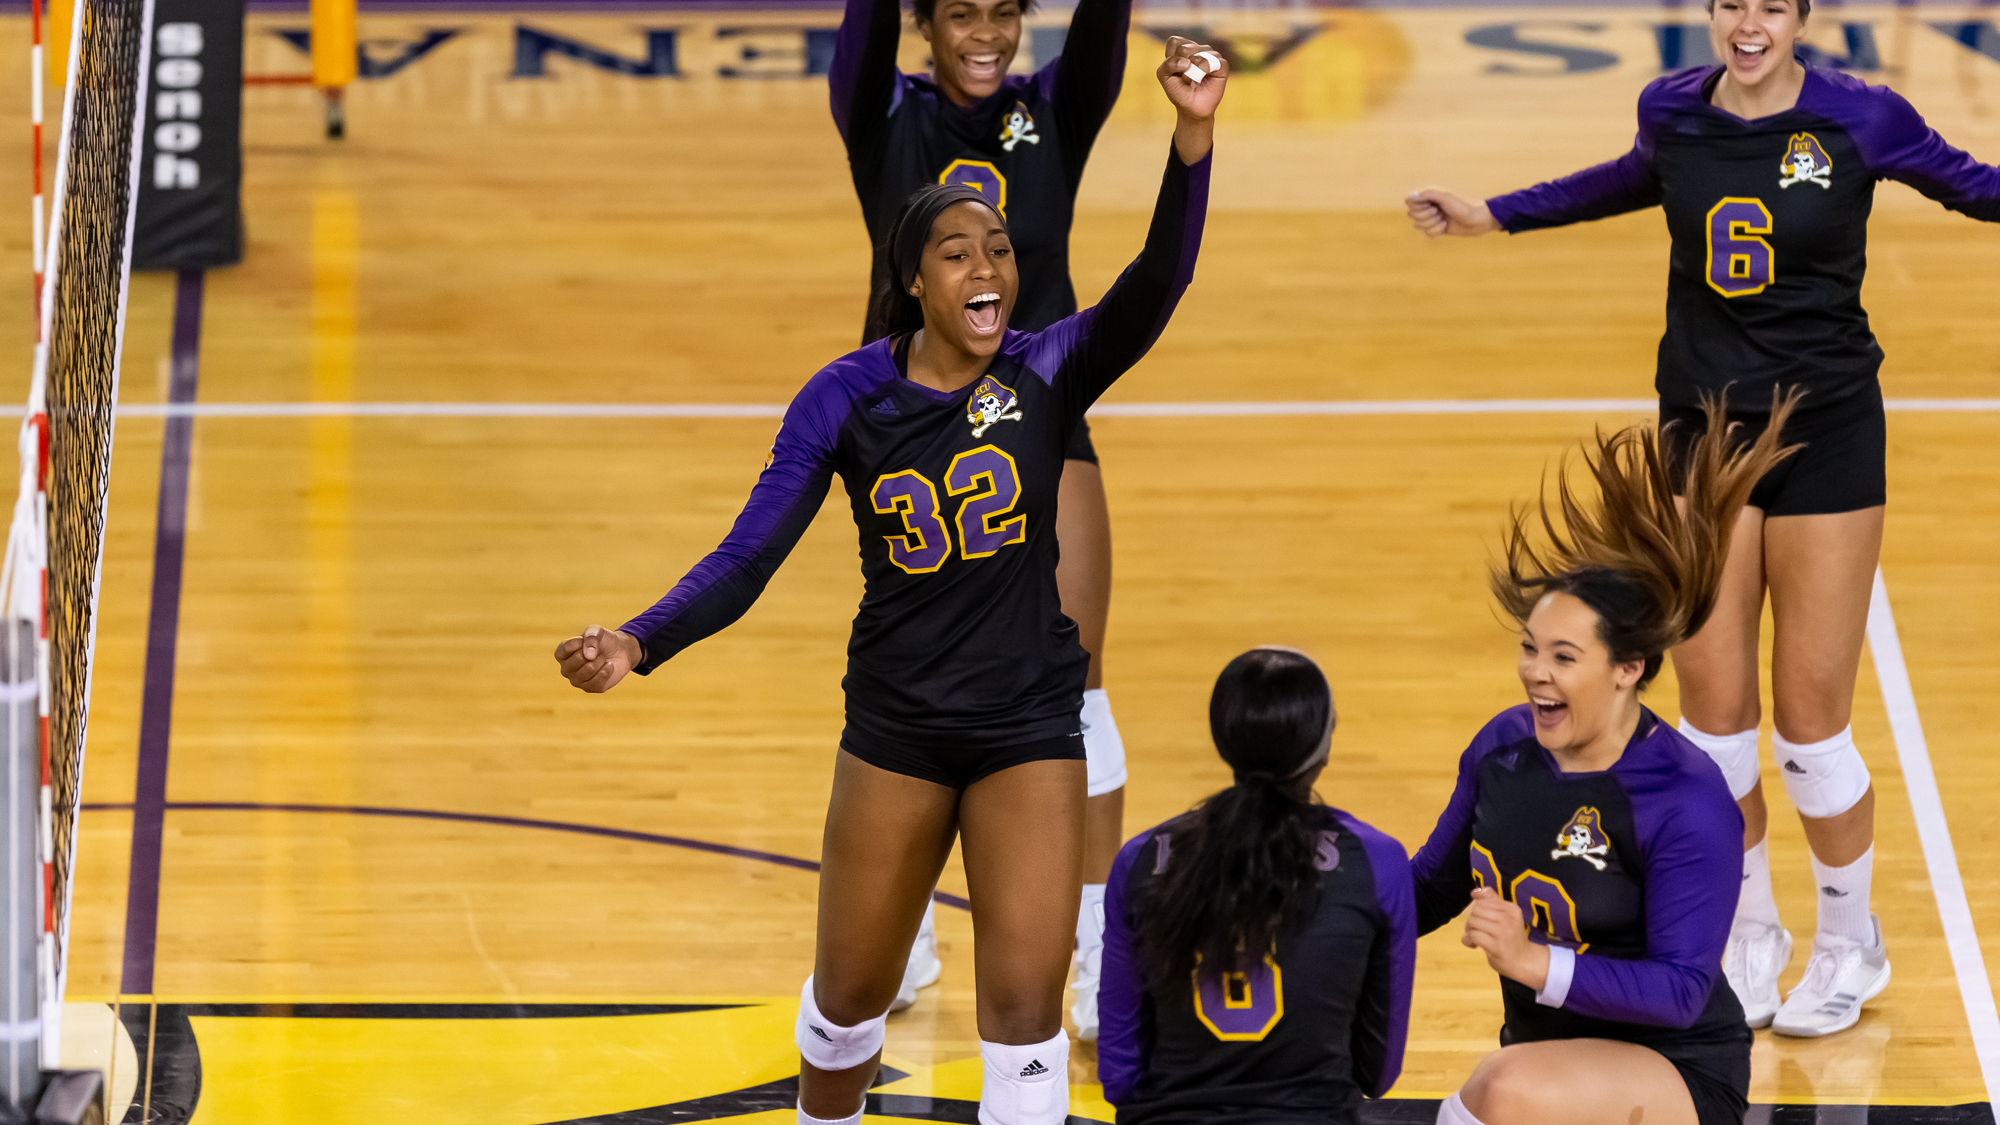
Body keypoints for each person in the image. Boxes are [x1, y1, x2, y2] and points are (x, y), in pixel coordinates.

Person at [555, 39, 1226, 1125]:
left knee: (1024, 1016)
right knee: (849, 1003)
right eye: (957, 255)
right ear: (910, 278)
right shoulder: (842, 398)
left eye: (999, 251)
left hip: (1027, 726)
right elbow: (748, 556)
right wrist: (642, 639)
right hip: (898, 729)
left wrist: (1192, 137)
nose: (986, 272)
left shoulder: (1048, 369)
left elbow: (1159, 280)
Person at [1405, 0, 2000, 1036]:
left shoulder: (1863, 118)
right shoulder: (1670, 111)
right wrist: (1493, 213)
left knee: (1811, 733)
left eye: (1769, 5)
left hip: (1825, 433)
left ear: (1802, 18)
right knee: (1714, 733)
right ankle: (1749, 929)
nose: (1748, 23)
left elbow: (1973, 186)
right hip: (1699, 434)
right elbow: (1624, 179)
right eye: (1730, 3)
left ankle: (1849, 942)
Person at [829, 0, 1140, 1030]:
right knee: (908, 671)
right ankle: (896, 918)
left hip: (1037, 420)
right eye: (959, 11)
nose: (986, 32)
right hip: (905, 428)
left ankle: (1095, 957)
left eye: (1004, 11)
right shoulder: (879, 114)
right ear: (922, 22)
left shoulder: (1057, 108)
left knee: (1080, 681)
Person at [1413, 401, 1797, 1125]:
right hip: (1551, 1054)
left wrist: (1536, 963)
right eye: (1530, 647)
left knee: (1499, 1093)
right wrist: (1322, 912)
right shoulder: (1502, 747)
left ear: (1628, 668)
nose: (1536, 673)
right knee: (1508, 1084)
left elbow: (1683, 989)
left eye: (1563, 657)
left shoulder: (1684, 796)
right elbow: (1432, 885)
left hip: (1675, 1068)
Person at [1096, 647, 1415, 1125]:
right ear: (1324, 743)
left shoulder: (1142, 859)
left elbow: (1120, 1076)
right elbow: (1377, 1072)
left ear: (1223, 738)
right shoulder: (1378, 862)